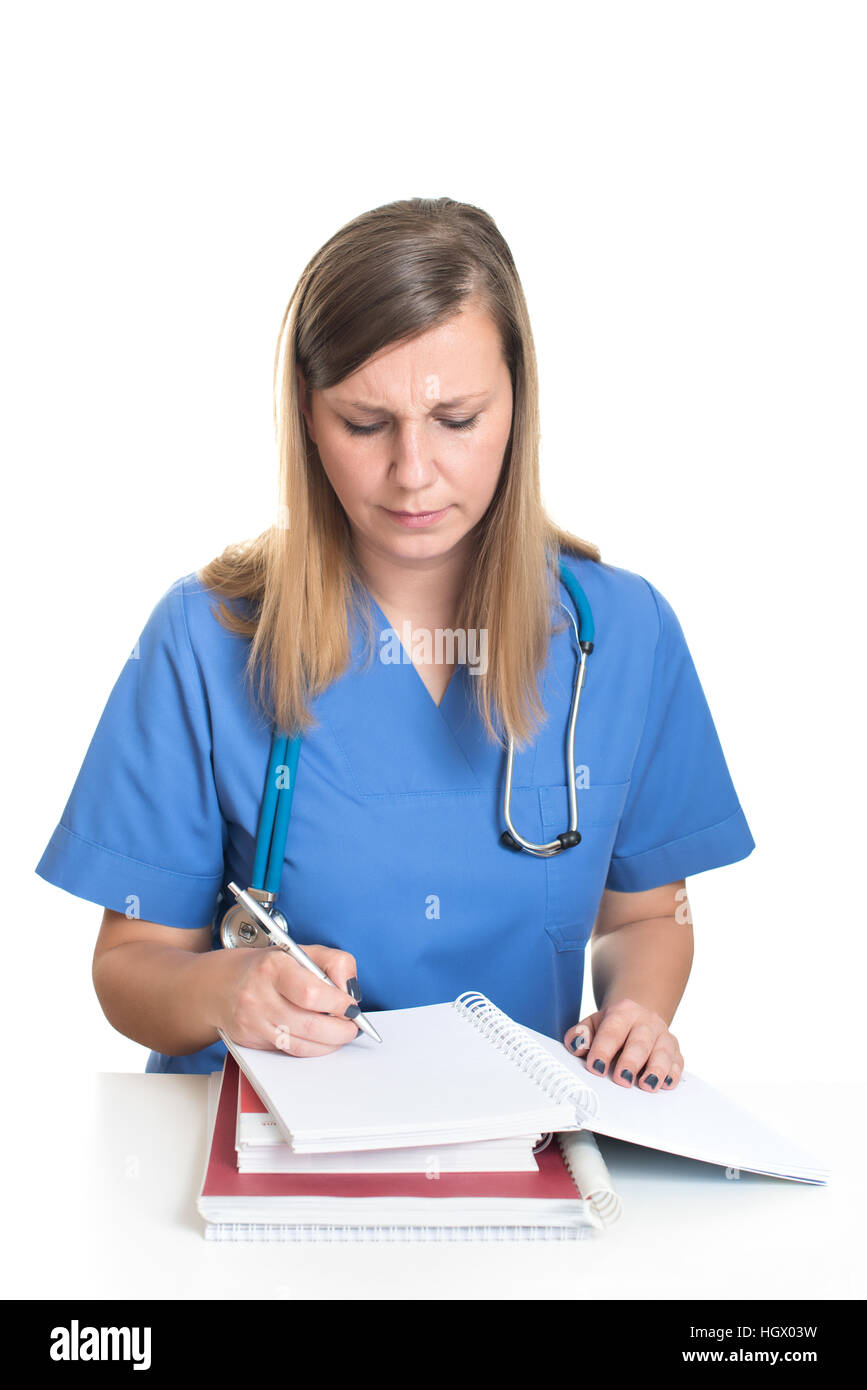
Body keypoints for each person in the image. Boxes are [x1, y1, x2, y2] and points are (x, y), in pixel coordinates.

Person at [35, 196, 754, 1091]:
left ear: (518, 403)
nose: (412, 471)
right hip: (263, 1146)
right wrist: (229, 991)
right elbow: (131, 960)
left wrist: (635, 1014)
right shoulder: (203, 639)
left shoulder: (622, 634)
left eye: (455, 419)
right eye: (365, 424)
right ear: (305, 415)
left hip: (513, 1142)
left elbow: (646, 916)